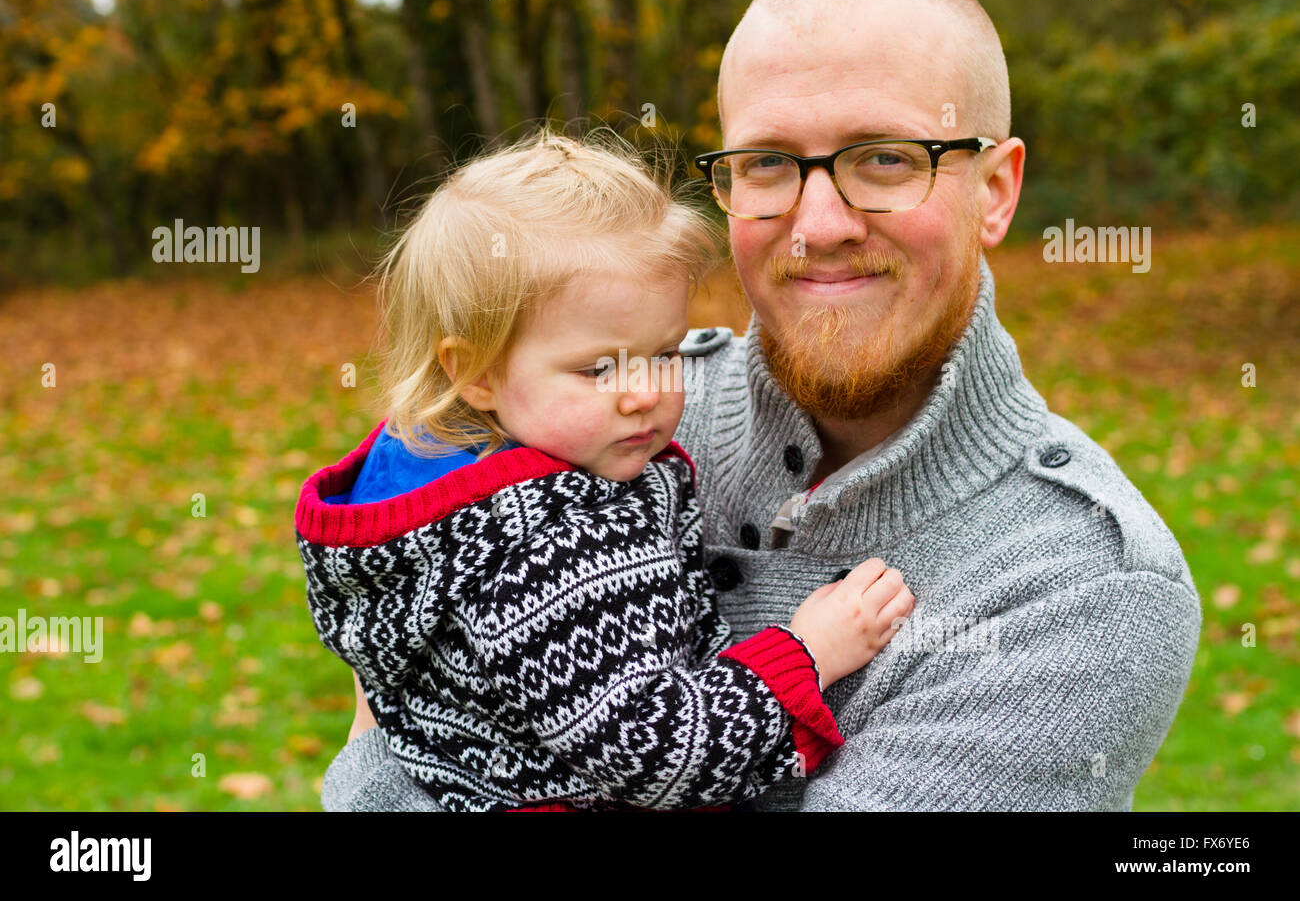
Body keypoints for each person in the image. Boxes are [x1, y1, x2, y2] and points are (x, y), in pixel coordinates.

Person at [319, 0, 1201, 812]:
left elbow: (392, 723)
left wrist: (374, 769)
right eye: (770, 164)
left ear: (996, 190)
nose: (819, 224)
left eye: (885, 157)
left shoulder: (1078, 585)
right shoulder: (613, 406)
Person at [295, 129, 914, 811]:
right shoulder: (550, 540)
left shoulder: (432, 490)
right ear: (473, 372)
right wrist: (808, 653)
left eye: (667, 353)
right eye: (599, 369)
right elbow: (656, 752)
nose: (645, 392)